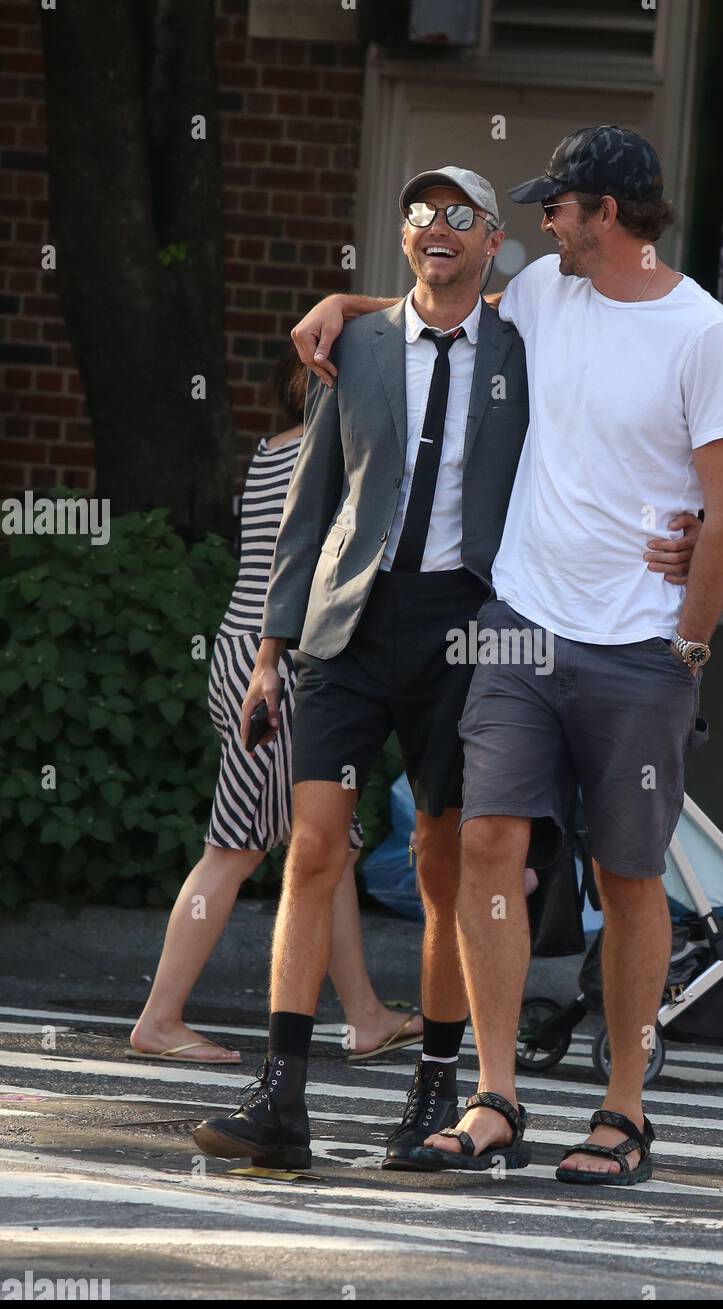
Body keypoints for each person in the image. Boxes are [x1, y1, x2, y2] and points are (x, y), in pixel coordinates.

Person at [192, 165, 700, 1173]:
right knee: (316, 845)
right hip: (350, 621)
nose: (437, 229)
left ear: (490, 243)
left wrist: (693, 527)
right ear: (403, 227)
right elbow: (312, 500)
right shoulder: (361, 345)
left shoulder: (524, 339)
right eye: (419, 211)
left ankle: (435, 1086)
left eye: (460, 217)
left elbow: (616, 438)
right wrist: (268, 648)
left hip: (466, 627)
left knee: (444, 860)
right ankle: (280, 1095)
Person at [401, 126, 723, 1185]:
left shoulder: (704, 334)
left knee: (629, 874)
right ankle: (495, 1093)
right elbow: (442, 319)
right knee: (486, 843)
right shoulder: (549, 298)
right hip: (522, 622)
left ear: (607, 214)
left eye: (558, 205)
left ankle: (624, 1109)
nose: (543, 221)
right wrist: (348, 311)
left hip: (641, 644)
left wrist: (689, 640)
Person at [130, 349, 418, 1069]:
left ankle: (365, 1017)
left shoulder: (270, 450)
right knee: (234, 848)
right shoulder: (327, 455)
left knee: (330, 845)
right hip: (279, 667)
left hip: (247, 653)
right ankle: (159, 1019)